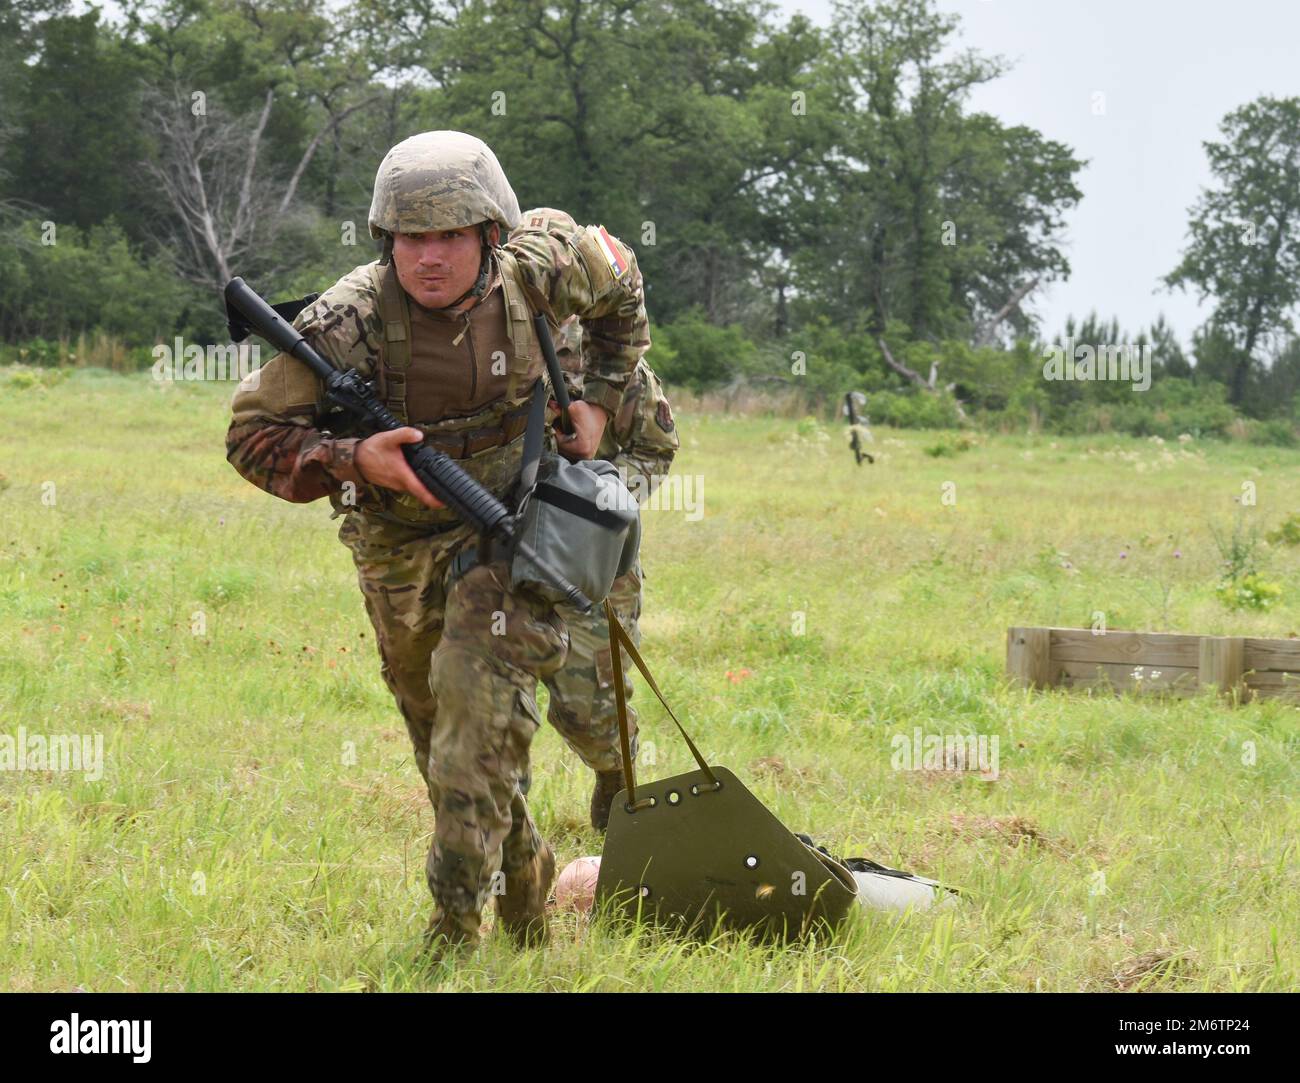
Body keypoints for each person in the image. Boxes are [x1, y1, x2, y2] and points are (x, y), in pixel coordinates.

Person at [224, 131, 649, 956]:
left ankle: (451, 936)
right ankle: (528, 910)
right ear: (387, 242)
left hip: (511, 527)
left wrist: (599, 394)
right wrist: (352, 458)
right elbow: (251, 437)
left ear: (491, 234)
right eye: (411, 238)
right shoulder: (347, 321)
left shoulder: (545, 265)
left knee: (472, 734)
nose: (428, 257)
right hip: (396, 544)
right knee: (440, 736)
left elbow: (623, 283)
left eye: (450, 236)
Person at [506, 217, 678, 828]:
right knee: (498, 687)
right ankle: (504, 818)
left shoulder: (614, 370)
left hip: (590, 560)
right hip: (505, 546)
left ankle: (615, 781)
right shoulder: (490, 348)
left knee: (590, 708)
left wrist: (595, 496)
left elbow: (657, 450)